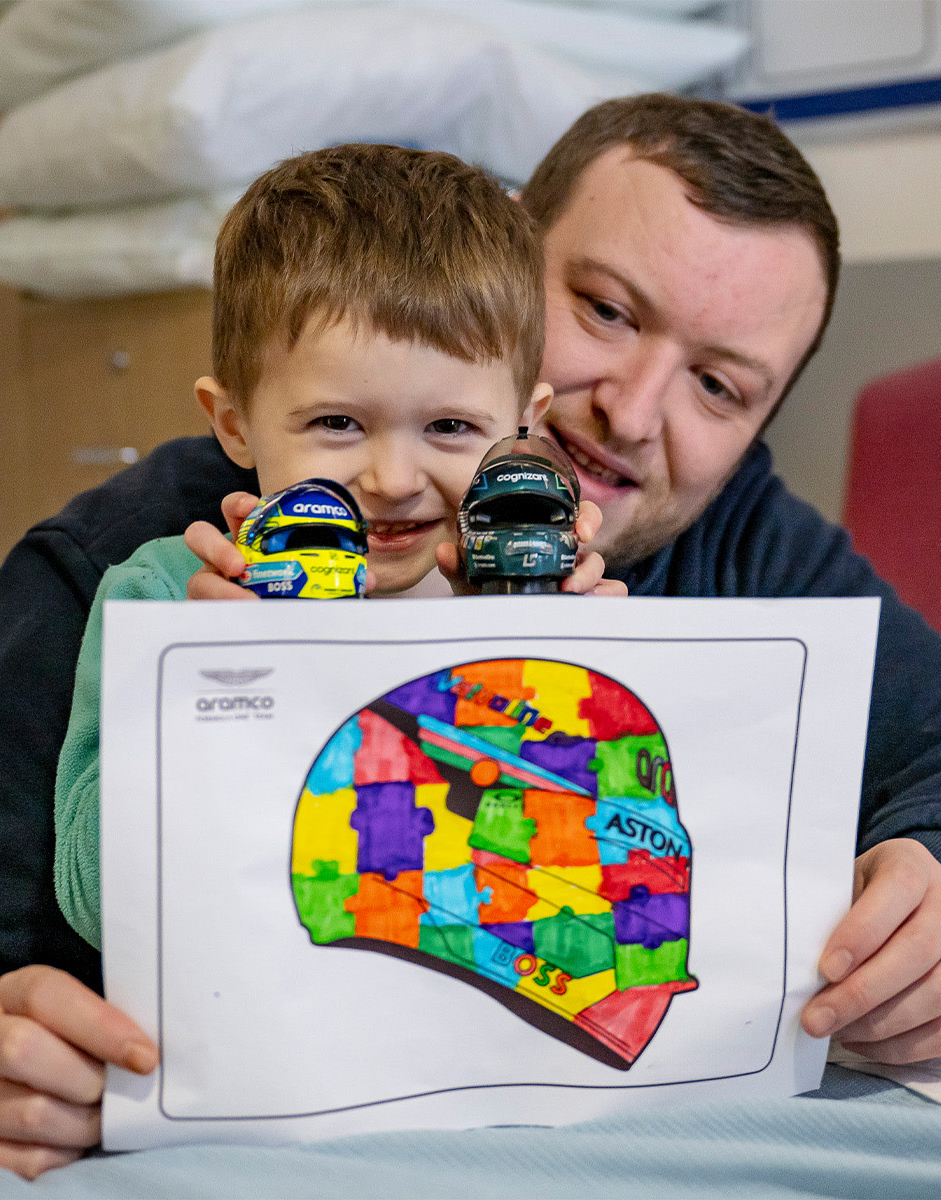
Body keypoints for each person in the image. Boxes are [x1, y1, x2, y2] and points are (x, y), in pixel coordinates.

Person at [0, 95, 941, 1178]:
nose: (629, 410)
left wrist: (937, 890)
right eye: (605, 308)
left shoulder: (742, 544)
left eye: (718, 386)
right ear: (496, 266)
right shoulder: (136, 567)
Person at [51, 143, 619, 951]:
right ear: (234, 424)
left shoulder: (548, 603)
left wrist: (563, 660)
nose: (393, 479)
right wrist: (218, 678)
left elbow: (588, 891)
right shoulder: (168, 598)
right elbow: (97, 905)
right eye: (337, 423)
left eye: (449, 426)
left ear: (524, 425)